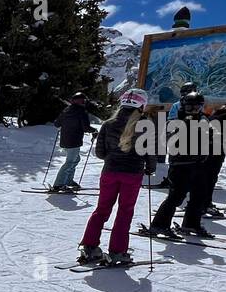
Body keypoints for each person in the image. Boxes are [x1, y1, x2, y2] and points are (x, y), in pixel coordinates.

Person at [78, 88, 156, 266]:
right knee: (124, 212)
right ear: (141, 105)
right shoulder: (145, 125)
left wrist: (113, 158)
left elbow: (100, 153)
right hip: (132, 173)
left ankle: (89, 247)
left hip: (110, 171)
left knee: (102, 210)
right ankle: (117, 251)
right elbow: (150, 152)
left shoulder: (108, 123)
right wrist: (150, 168)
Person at [147, 83, 211, 237]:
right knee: (176, 197)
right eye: (191, 107)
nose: (194, 111)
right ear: (184, 106)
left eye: (197, 107)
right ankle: (159, 225)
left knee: (199, 194)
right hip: (181, 165)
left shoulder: (202, 120)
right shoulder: (176, 121)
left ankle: (191, 224)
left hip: (198, 164)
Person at [50, 91, 95, 192]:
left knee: (75, 159)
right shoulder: (82, 112)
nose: (84, 102)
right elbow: (86, 127)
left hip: (65, 141)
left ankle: (68, 180)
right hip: (74, 141)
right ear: (82, 102)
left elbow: (57, 124)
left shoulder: (66, 110)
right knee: (70, 162)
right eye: (83, 100)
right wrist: (94, 131)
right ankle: (59, 184)